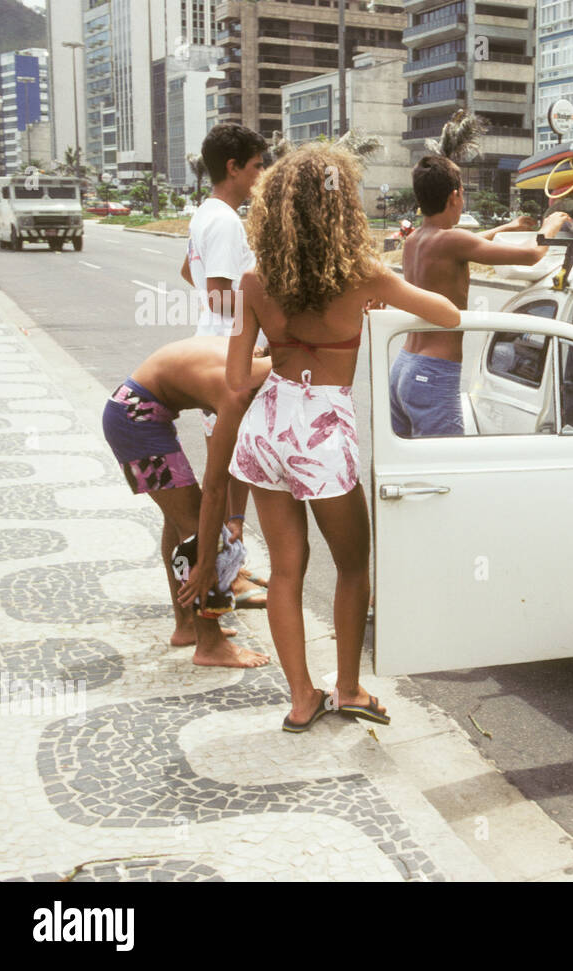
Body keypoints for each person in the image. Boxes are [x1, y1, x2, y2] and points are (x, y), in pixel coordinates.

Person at [222, 143, 461, 733]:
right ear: (341, 210)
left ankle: (302, 698)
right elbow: (447, 315)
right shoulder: (361, 276)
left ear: (275, 208)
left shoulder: (255, 280)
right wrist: (379, 295)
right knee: (353, 565)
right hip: (322, 431)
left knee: (284, 568)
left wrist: (279, 357)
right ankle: (348, 687)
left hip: (269, 423)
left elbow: (232, 380)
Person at [102, 338, 273, 669]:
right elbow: (214, 489)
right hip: (136, 421)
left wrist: (234, 518)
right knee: (197, 529)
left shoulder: (250, 359)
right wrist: (208, 559)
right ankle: (210, 645)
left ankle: (187, 626)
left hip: (136, 412)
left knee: (178, 519)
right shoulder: (238, 392)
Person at [389, 154, 570, 437]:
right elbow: (531, 254)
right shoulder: (452, 241)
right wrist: (551, 224)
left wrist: (507, 228)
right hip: (434, 372)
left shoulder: (415, 240)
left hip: (405, 366)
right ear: (455, 196)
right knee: (446, 468)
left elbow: (466, 244)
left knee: (412, 469)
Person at [181, 123, 270, 607]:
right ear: (234, 167)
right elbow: (218, 296)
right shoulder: (226, 221)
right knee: (230, 470)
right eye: (257, 166)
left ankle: (231, 564)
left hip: (220, 350)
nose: (260, 174)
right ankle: (225, 573)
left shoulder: (209, 215)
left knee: (236, 467)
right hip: (226, 357)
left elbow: (189, 273)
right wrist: (263, 317)